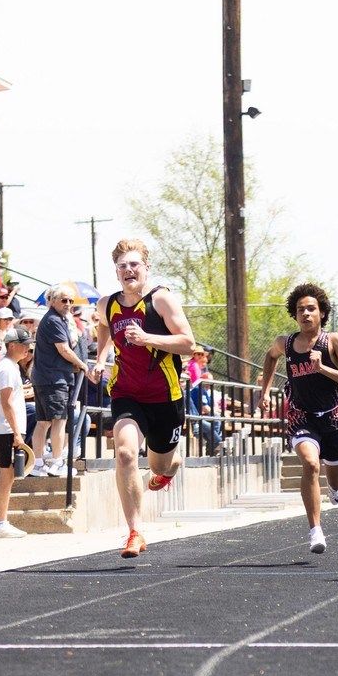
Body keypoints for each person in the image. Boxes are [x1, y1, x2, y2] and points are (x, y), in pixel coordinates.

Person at [88, 239, 198, 560]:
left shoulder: (161, 299)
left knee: (160, 462)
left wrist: (147, 337)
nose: (128, 270)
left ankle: (169, 466)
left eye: (134, 264)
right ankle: (135, 531)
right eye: (122, 266)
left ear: (146, 268)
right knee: (123, 454)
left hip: (164, 396)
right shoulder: (106, 304)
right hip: (127, 392)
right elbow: (106, 329)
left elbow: (188, 343)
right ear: (117, 271)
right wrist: (100, 358)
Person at [258, 282, 338, 555]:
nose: (305, 314)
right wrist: (265, 391)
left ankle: (337, 488)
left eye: (311, 309)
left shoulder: (335, 341)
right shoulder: (287, 343)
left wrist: (323, 368)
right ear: (294, 315)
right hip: (301, 416)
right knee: (310, 463)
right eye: (300, 310)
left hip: (333, 417)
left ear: (322, 313)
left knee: (335, 479)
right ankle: (315, 530)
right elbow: (270, 358)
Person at [27, 284, 88, 477]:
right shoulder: (53, 320)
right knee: (59, 421)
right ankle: (56, 461)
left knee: (43, 422)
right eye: (64, 300)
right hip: (55, 379)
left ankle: (38, 463)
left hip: (46, 378)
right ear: (52, 301)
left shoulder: (57, 320)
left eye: (71, 300)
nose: (68, 304)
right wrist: (82, 364)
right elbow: (64, 349)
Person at [0, 328, 33, 539]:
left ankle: (2, 521)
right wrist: (16, 433)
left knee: (9, 474)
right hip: (6, 429)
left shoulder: (10, 367)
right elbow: (6, 402)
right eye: (24, 344)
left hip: (7, 428)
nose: (28, 348)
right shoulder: (6, 368)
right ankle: (0, 522)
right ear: (12, 345)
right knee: (7, 474)